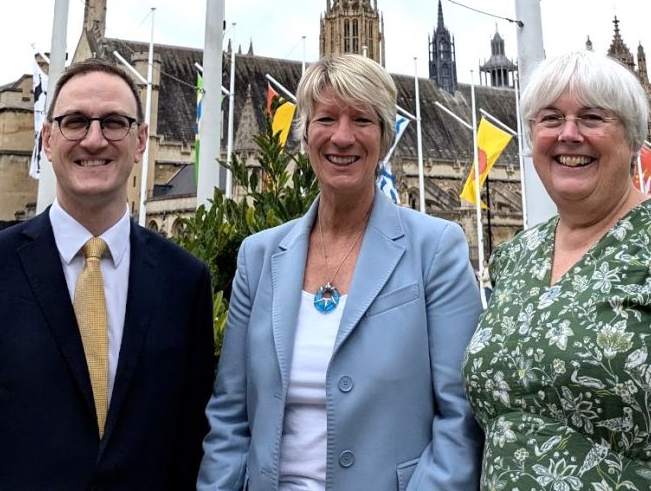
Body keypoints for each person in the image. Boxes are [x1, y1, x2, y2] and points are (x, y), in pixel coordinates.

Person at [198, 53, 483, 491]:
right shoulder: (259, 256)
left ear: (386, 138)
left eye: (362, 120)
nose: (342, 137)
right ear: (305, 134)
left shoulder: (435, 248)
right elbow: (230, 414)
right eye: (326, 118)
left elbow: (461, 416)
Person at [0, 57, 214, 491]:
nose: (95, 139)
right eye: (75, 122)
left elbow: (190, 443)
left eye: (115, 123)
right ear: (47, 139)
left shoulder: (185, 281)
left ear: (140, 140)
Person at [463, 50, 651, 490]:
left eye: (592, 118)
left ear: (632, 139)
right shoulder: (516, 256)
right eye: (550, 119)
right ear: (533, 137)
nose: (568, 134)